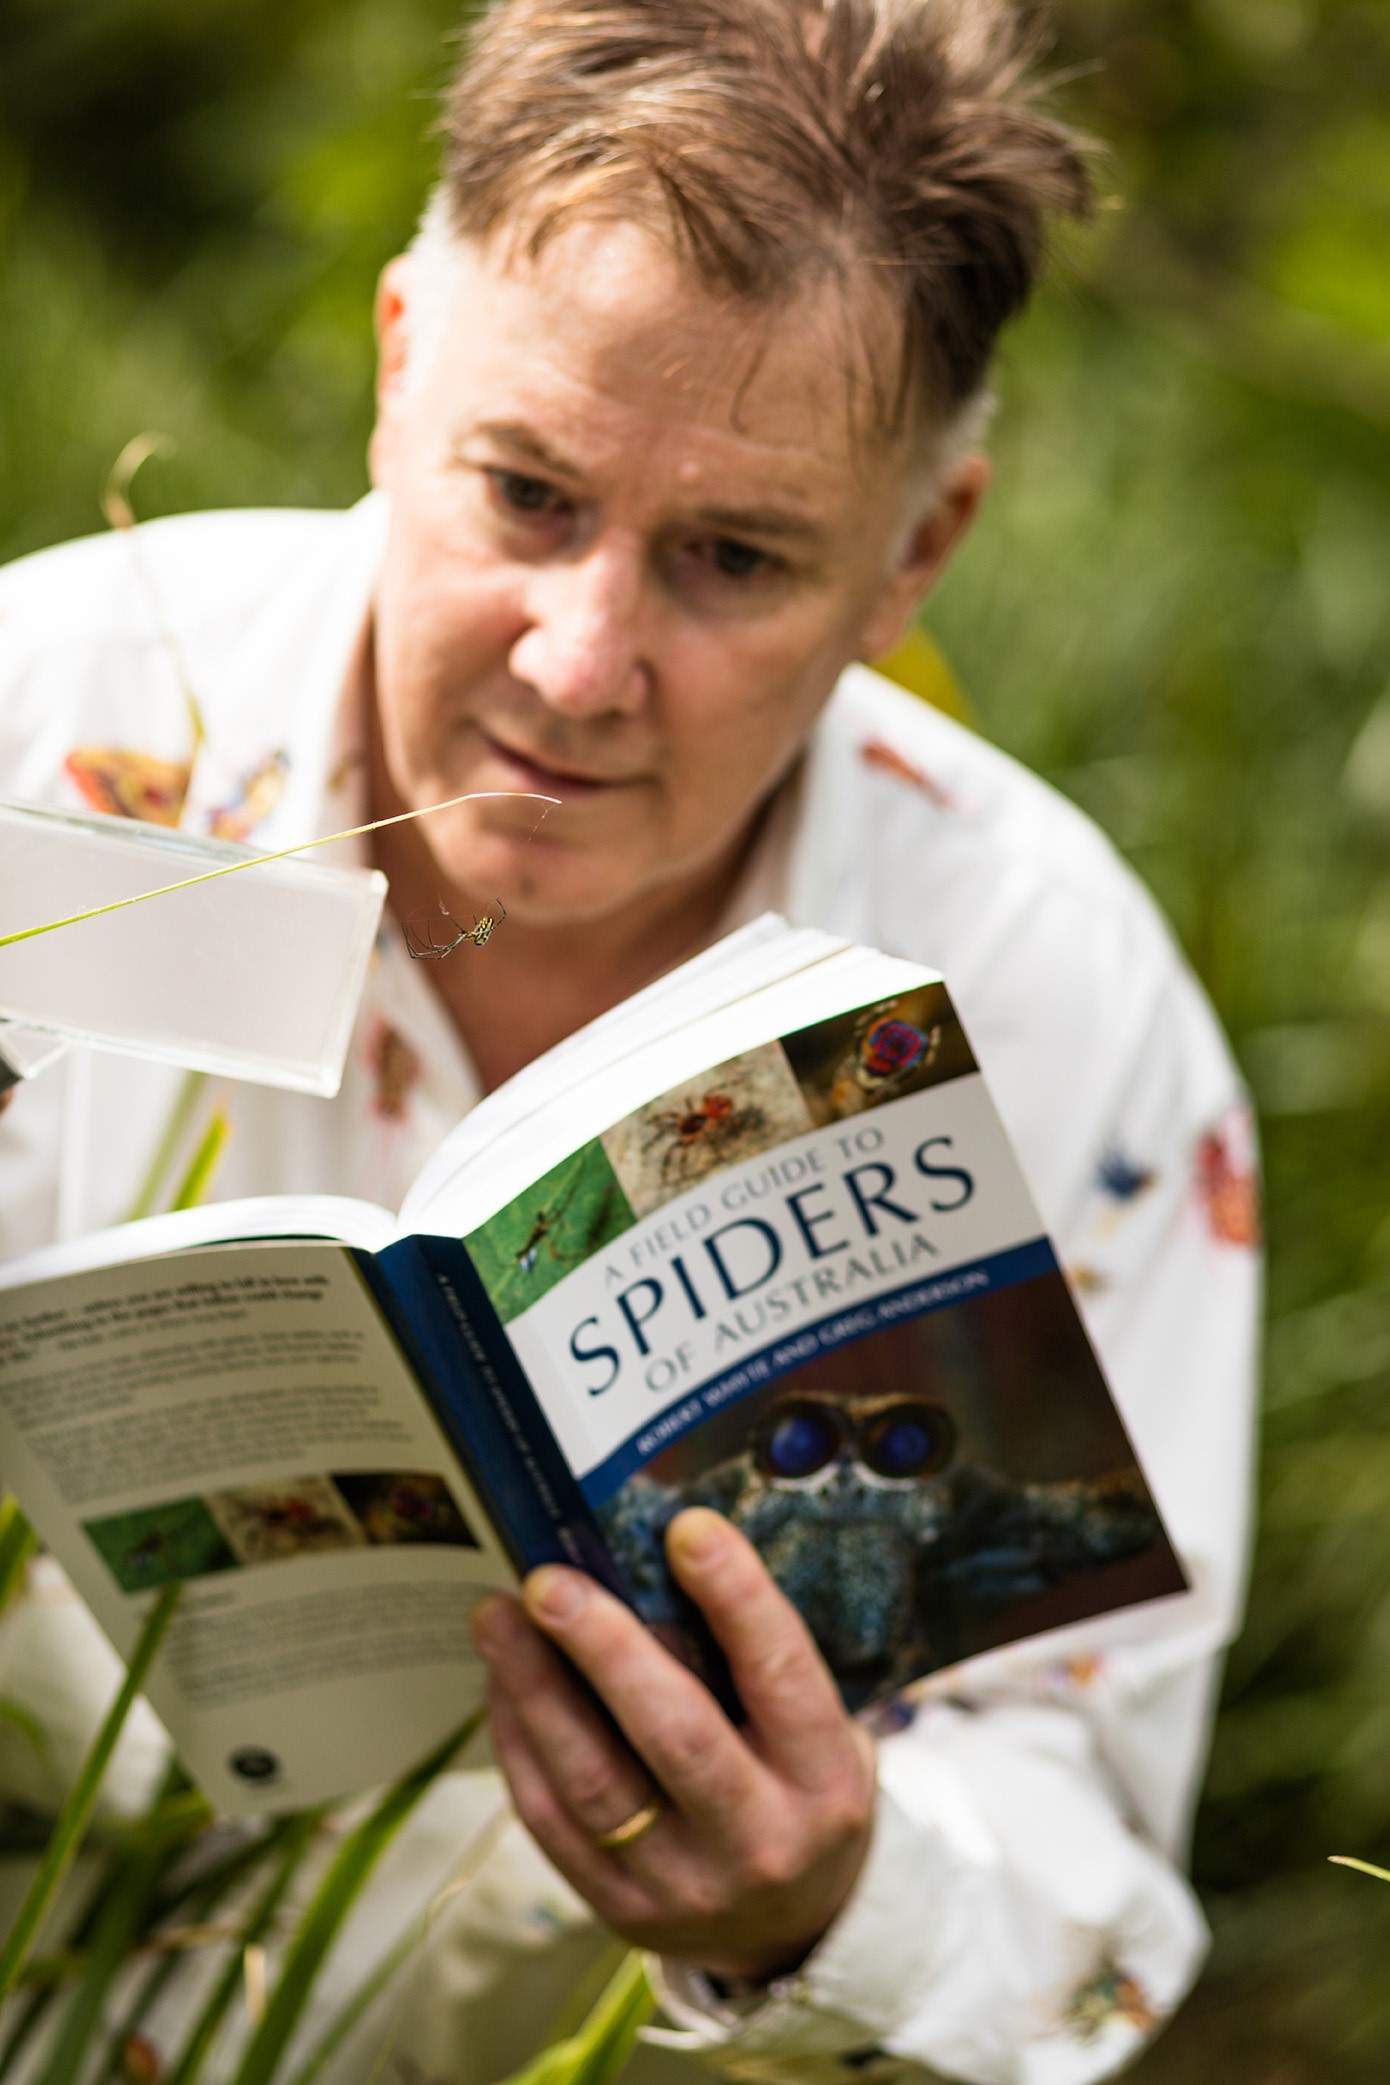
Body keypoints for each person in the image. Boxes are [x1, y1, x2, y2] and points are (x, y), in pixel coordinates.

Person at [0, 0, 1260, 2078]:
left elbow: (1083, 1838)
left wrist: (829, 1900)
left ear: (913, 552)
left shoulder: (1046, 997)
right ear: (400, 366)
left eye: (733, 558)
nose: (580, 666)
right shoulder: (46, 733)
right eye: (524, 489)